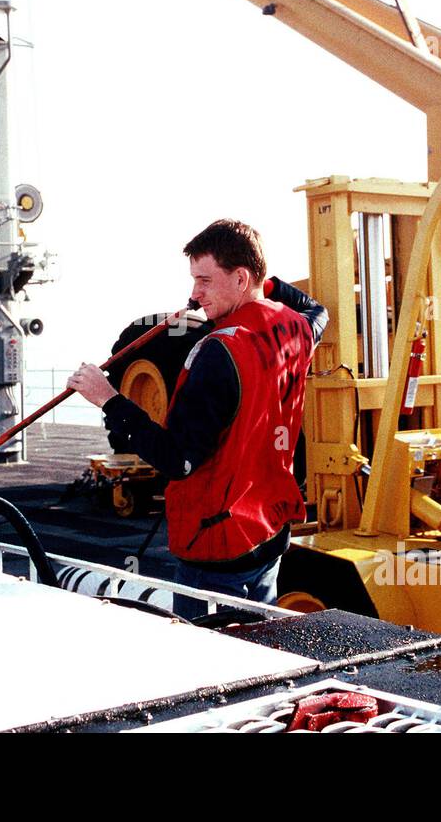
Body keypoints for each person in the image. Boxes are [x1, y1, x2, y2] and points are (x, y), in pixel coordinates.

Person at [69, 219, 326, 612]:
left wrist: (108, 399)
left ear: (240, 279)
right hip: (270, 532)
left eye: (205, 280)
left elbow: (178, 459)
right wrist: (263, 284)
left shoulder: (218, 352)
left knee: (214, 663)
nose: (195, 293)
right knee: (262, 651)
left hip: (218, 548)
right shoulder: (297, 329)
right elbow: (316, 309)